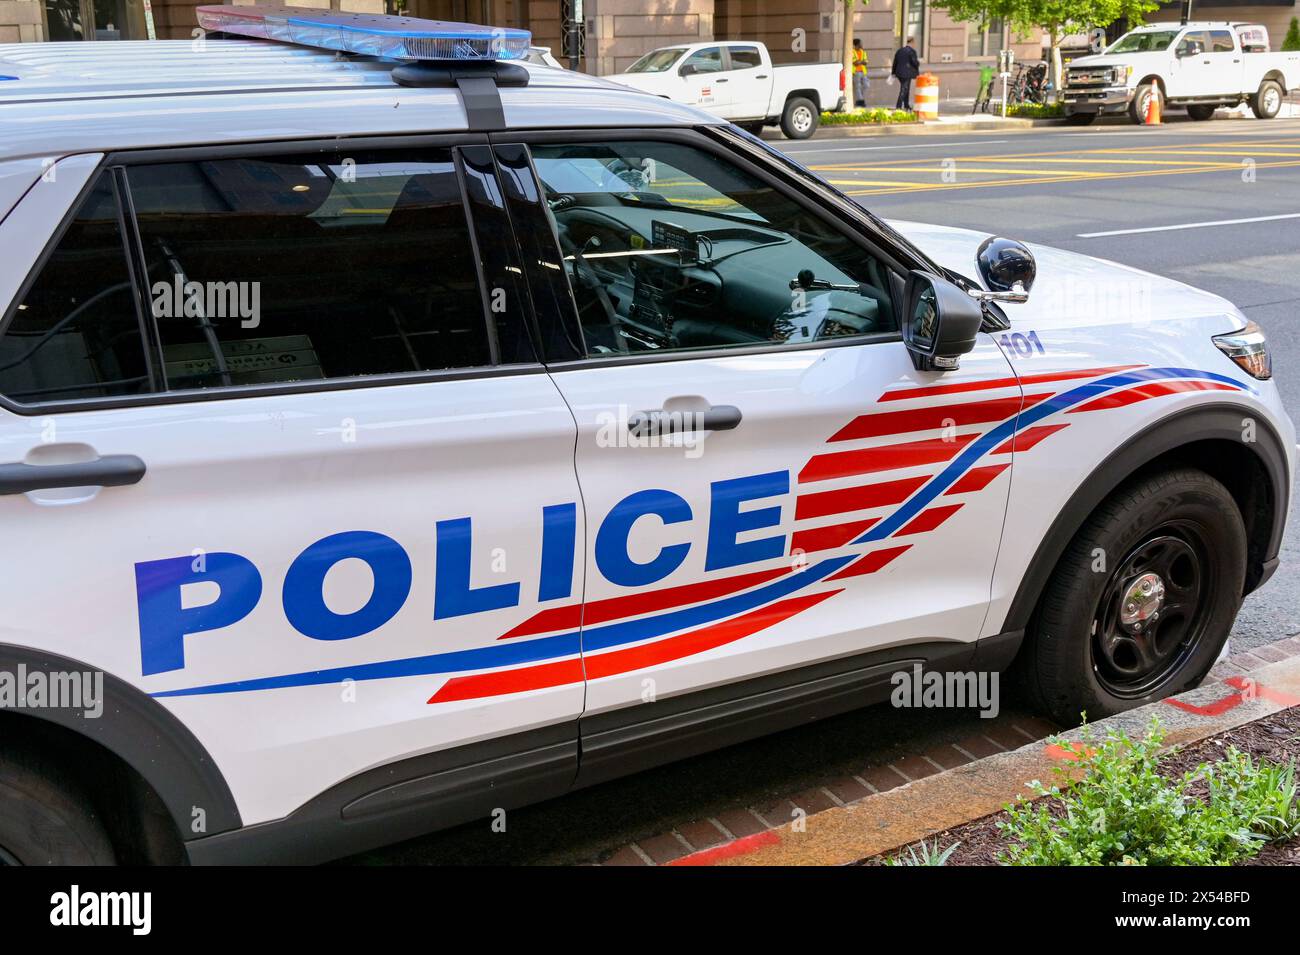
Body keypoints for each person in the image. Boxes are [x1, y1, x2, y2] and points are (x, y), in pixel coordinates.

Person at [891, 36, 920, 110]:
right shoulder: (912, 51)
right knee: (904, 89)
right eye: (914, 43)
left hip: (899, 73)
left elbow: (895, 62)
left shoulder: (900, 50)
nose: (914, 44)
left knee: (906, 88)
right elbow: (915, 62)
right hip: (907, 73)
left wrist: (893, 72)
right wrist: (918, 63)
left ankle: (906, 105)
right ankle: (898, 106)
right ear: (912, 42)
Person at [851, 38, 869, 108]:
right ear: (857, 44)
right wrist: (862, 62)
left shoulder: (863, 52)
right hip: (856, 72)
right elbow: (855, 63)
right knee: (857, 87)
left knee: (866, 85)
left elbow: (866, 62)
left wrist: (860, 62)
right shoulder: (852, 52)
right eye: (861, 43)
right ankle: (861, 101)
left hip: (863, 71)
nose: (862, 44)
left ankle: (859, 101)